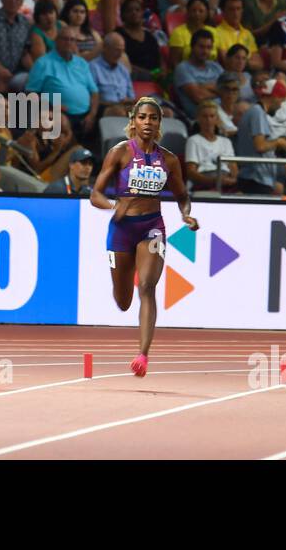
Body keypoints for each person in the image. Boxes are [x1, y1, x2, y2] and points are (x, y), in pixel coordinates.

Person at [90, 97, 198, 377]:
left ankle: (143, 355)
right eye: (142, 118)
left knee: (147, 287)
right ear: (133, 121)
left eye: (153, 118)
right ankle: (122, 294)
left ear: (159, 123)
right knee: (123, 300)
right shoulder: (120, 153)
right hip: (122, 229)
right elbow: (95, 194)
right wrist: (114, 206)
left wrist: (186, 215)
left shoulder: (170, 160)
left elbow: (182, 196)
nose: (147, 123)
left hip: (152, 227)